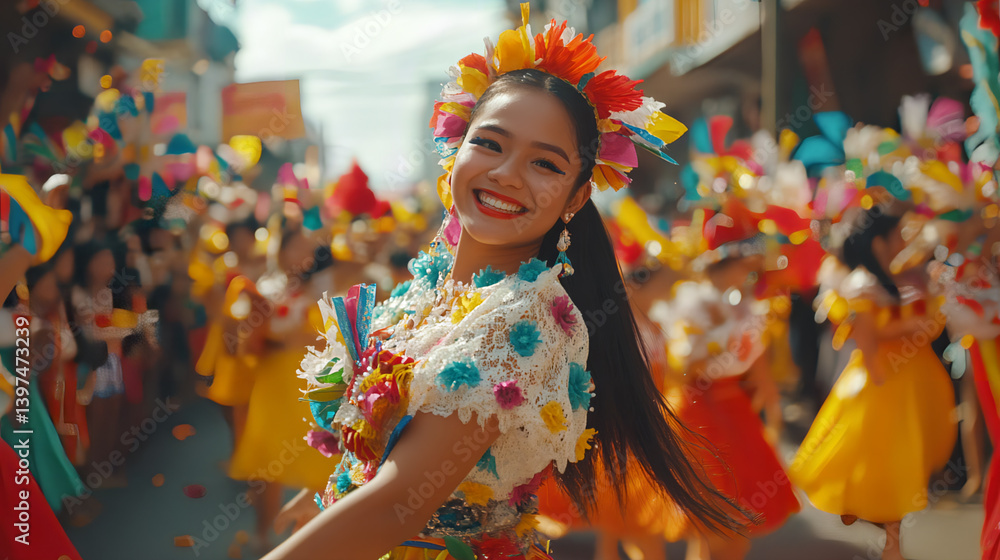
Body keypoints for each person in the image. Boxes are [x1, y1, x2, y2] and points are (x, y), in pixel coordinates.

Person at [264, 7, 743, 559]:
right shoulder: (429, 285)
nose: (507, 173)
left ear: (577, 197)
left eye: (545, 164)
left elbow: (400, 503)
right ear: (454, 151)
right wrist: (330, 495)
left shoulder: (522, 320)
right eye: (490, 143)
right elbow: (386, 456)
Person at [790, 208, 957, 560]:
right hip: (883, 381)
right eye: (898, 234)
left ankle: (872, 519)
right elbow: (867, 336)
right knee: (889, 464)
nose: (904, 241)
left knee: (899, 463)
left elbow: (928, 323)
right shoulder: (864, 282)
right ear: (879, 241)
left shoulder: (902, 278)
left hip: (915, 380)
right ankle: (889, 541)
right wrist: (908, 332)